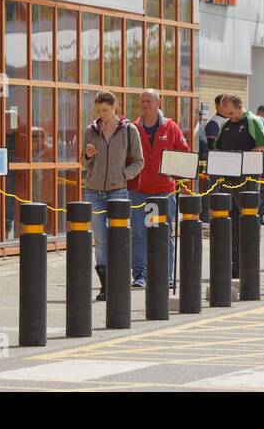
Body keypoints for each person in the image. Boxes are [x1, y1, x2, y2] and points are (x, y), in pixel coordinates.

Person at [81, 91, 144, 303]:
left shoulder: (128, 130)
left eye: (105, 110)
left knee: (118, 238)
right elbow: (84, 162)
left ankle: (118, 282)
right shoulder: (91, 130)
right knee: (100, 239)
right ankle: (105, 285)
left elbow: (139, 160)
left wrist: (123, 175)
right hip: (93, 190)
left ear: (115, 107)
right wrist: (87, 156)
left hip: (118, 190)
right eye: (98, 110)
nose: (102, 114)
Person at [130, 89, 189, 288]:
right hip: (138, 191)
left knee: (163, 233)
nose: (144, 104)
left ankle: (166, 276)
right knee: (139, 233)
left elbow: (184, 153)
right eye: (142, 101)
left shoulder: (170, 127)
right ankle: (140, 275)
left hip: (164, 191)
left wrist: (179, 172)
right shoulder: (133, 127)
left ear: (158, 103)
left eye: (148, 101)